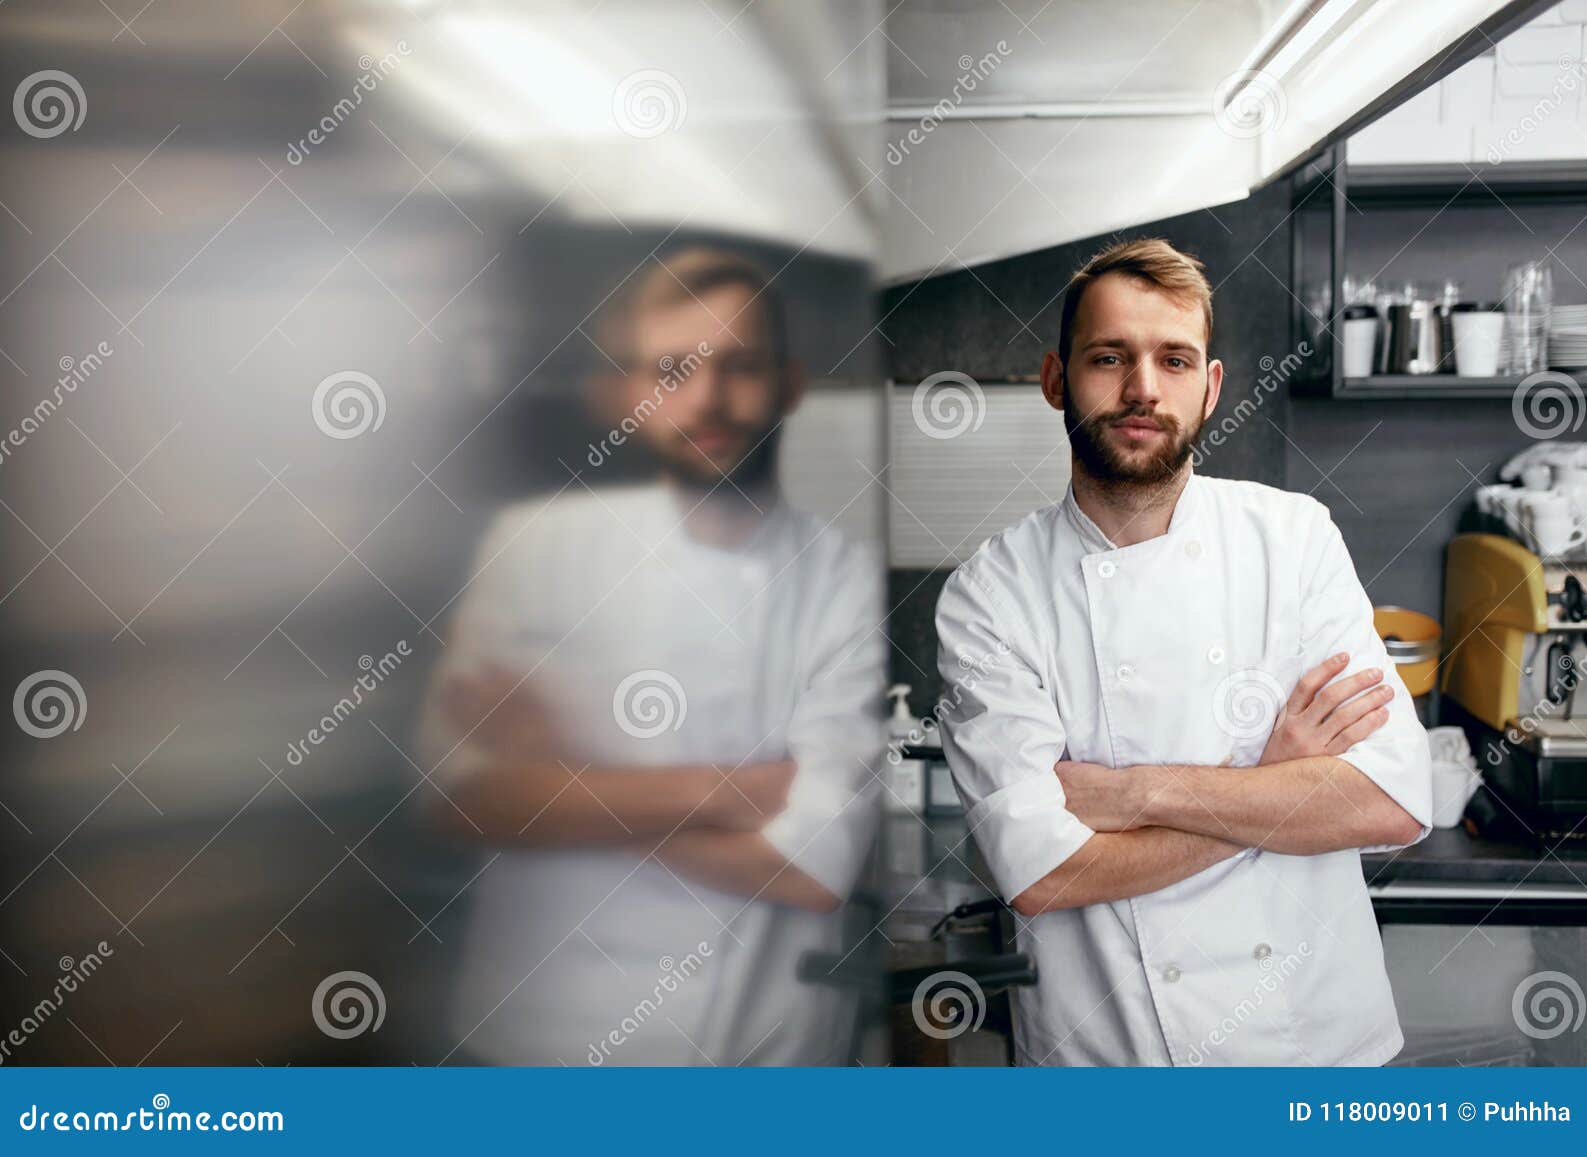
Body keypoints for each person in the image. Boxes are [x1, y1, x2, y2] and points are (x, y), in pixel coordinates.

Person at [934, 237, 1432, 1067]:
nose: (1143, 390)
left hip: (1318, 1053)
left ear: (1211, 388)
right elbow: (1044, 874)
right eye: (1109, 358)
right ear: (1057, 379)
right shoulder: (992, 594)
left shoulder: (1293, 538)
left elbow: (1391, 800)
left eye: (1174, 359)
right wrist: (1275, 787)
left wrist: (1130, 793)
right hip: (1112, 1065)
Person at [418, 247, 884, 1065]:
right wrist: (729, 791)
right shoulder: (534, 547)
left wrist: (559, 771)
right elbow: (459, 796)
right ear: (627, 393)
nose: (706, 396)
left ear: (790, 383)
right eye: (672, 370)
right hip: (539, 1052)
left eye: (740, 365)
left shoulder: (842, 578)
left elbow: (815, 866)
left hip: (753, 1057)